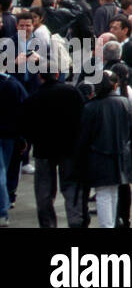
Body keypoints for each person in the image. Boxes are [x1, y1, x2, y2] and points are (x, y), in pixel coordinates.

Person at [18, 69, 85, 228]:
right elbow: (83, 118)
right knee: (71, 188)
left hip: (43, 150)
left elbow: (26, 126)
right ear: (56, 75)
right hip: (69, 148)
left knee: (44, 191)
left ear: (40, 77)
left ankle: (47, 224)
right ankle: (75, 222)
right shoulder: (72, 92)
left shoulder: (34, 97)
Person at [74, 74, 132, 228]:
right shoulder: (124, 103)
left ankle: (107, 225)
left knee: (103, 194)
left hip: (98, 155)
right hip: (120, 153)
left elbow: (84, 136)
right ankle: (111, 224)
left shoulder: (90, 107)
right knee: (113, 192)